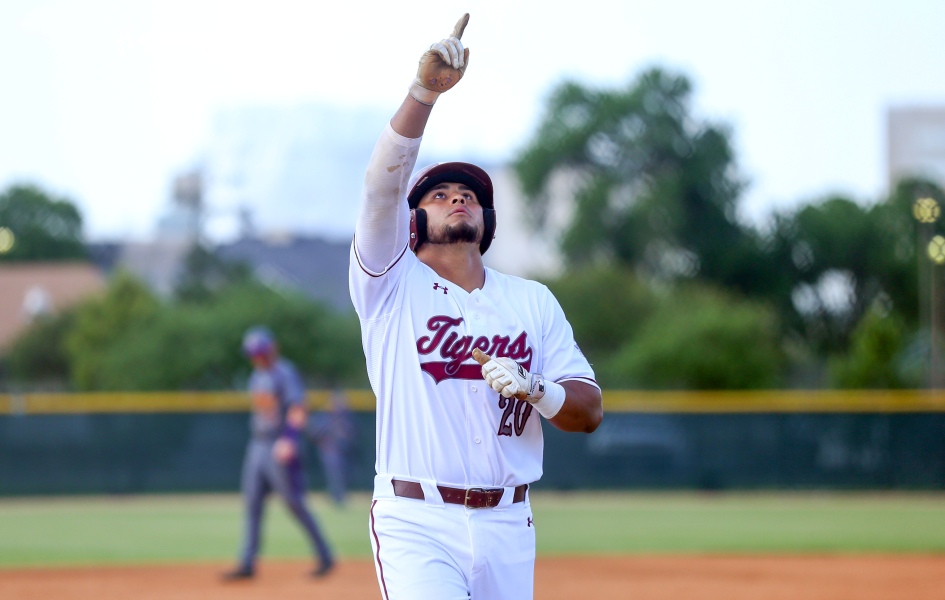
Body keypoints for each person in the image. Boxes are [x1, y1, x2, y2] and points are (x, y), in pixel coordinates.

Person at [348, 13, 603, 600]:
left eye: (469, 196)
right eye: (438, 195)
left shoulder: (531, 301)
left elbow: (587, 410)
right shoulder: (389, 282)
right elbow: (381, 188)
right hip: (418, 520)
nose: (457, 198)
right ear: (414, 223)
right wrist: (424, 93)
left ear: (487, 222)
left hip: (510, 524)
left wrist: (536, 388)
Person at [222, 326, 335, 581]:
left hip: (278, 444)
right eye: (253, 353)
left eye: (260, 352)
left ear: (271, 350)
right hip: (257, 445)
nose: (257, 357)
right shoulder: (256, 376)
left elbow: (298, 409)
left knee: (294, 503)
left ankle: (325, 555)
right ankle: (247, 562)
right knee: (252, 502)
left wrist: (289, 440)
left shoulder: (284, 371)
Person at [307, 388, 357, 506]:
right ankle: (336, 497)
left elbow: (352, 434)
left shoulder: (345, 419)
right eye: (335, 402)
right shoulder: (325, 417)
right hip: (329, 450)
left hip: (343, 451)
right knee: (334, 474)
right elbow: (315, 432)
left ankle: (340, 496)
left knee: (343, 474)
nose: (337, 405)